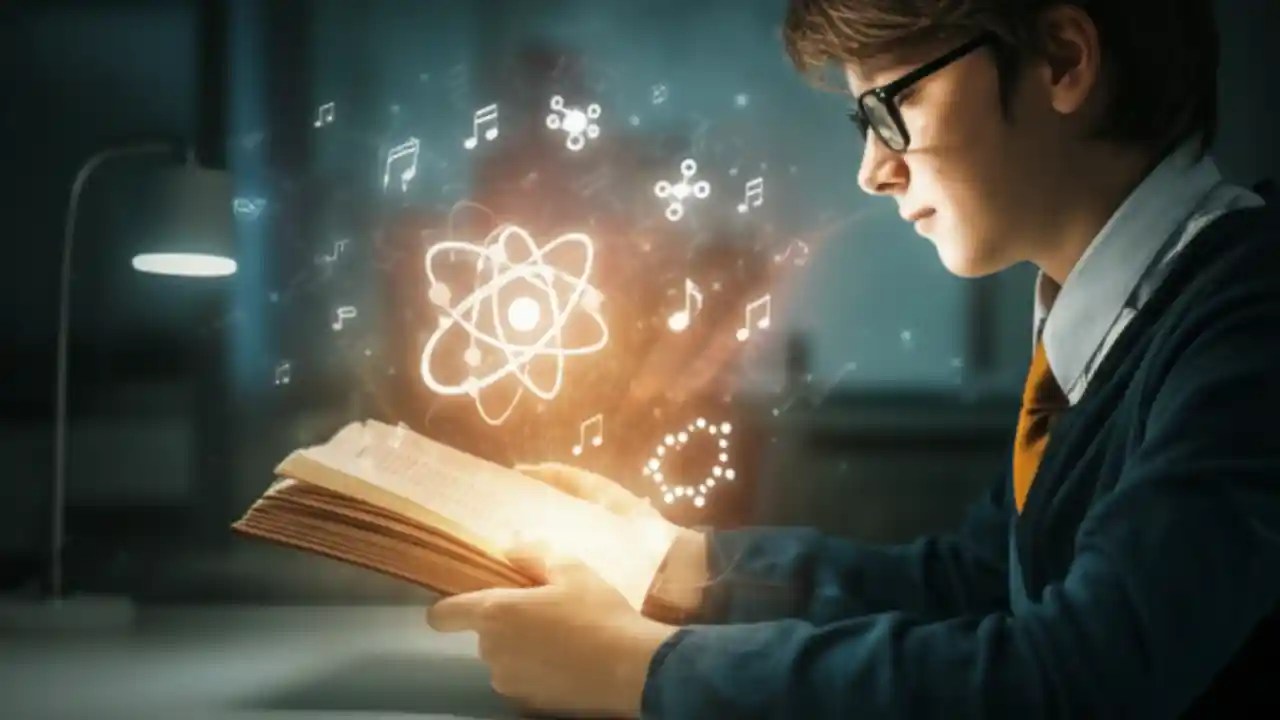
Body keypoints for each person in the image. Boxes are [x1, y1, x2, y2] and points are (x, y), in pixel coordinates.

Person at [426, 0, 1280, 716]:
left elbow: (1082, 676)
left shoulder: (1247, 318)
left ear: (1060, 59)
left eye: (889, 106)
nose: (873, 170)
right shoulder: (1113, 318)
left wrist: (645, 671)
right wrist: (675, 561)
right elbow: (978, 583)